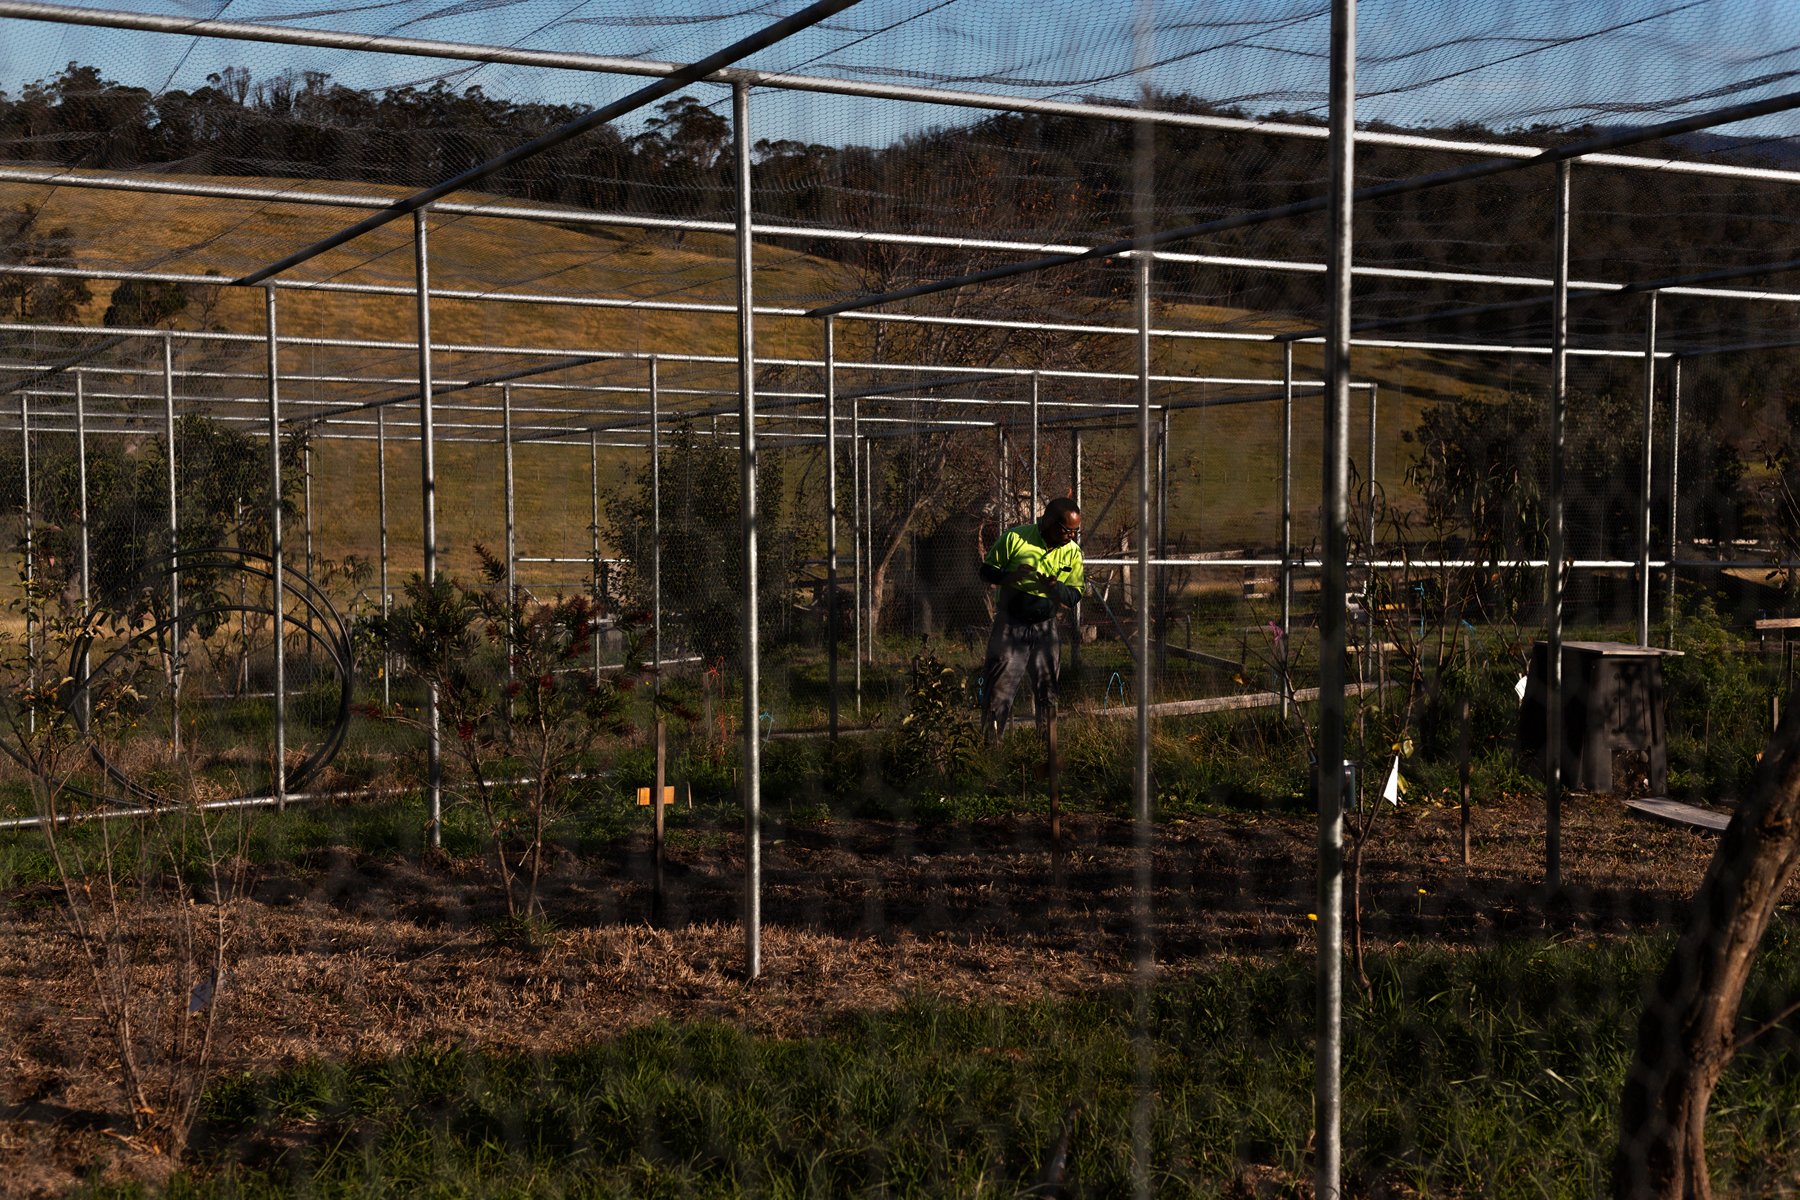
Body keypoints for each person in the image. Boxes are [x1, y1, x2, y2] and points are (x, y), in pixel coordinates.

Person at [978, 497, 1084, 739]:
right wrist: (1010, 576)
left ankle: (1048, 748)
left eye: (1076, 531)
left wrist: (1055, 588)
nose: (1072, 536)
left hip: (1045, 629)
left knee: (1048, 691)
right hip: (1011, 626)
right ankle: (990, 751)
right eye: (1068, 530)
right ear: (1049, 522)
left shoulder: (1073, 553)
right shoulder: (1015, 538)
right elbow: (985, 571)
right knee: (999, 690)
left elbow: (1075, 595)